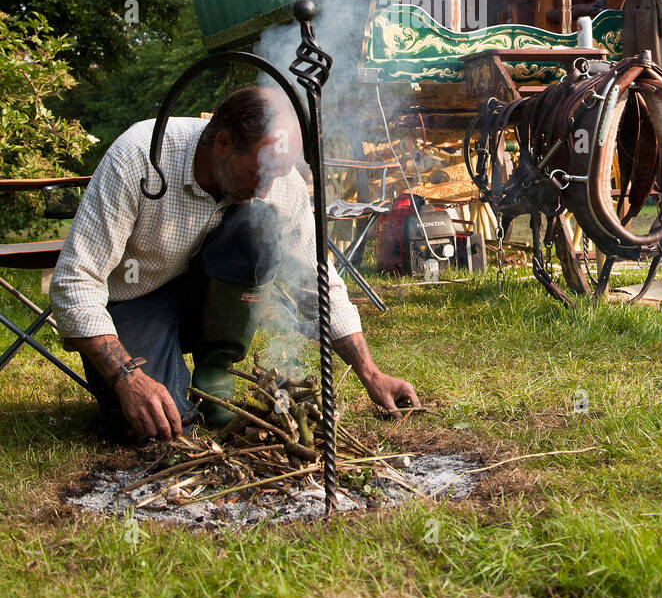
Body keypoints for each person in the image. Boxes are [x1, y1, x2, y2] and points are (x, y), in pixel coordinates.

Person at [49, 87, 419, 440]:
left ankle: (214, 372)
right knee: (157, 426)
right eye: (258, 174)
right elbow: (74, 281)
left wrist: (372, 374)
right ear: (223, 142)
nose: (266, 190)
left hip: (207, 302)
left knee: (256, 227)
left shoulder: (277, 181)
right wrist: (127, 376)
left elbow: (315, 279)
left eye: (276, 175)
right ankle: (167, 388)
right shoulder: (139, 157)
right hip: (132, 303)